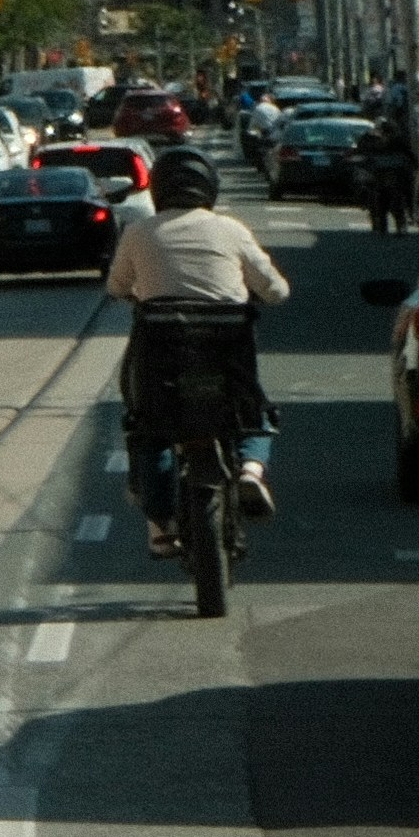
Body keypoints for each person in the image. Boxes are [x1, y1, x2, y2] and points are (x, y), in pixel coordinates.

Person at [112, 150, 287, 556]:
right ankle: (250, 469)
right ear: (209, 187)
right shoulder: (231, 229)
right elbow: (277, 291)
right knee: (254, 413)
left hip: (161, 360)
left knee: (147, 424)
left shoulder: (139, 232)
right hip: (228, 355)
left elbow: (116, 287)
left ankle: (160, 523)